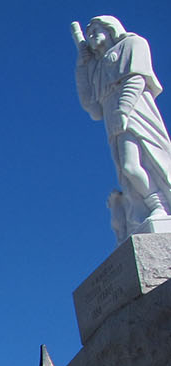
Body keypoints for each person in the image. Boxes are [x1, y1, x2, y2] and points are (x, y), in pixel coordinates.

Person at [75, 17, 171, 237]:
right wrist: (82, 67)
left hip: (134, 109)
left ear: (111, 29)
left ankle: (159, 204)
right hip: (112, 114)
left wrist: (123, 109)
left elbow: (136, 78)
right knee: (125, 173)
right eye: (88, 33)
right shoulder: (96, 67)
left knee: (135, 164)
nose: (91, 35)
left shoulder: (133, 44)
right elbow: (93, 107)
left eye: (96, 29)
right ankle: (146, 209)